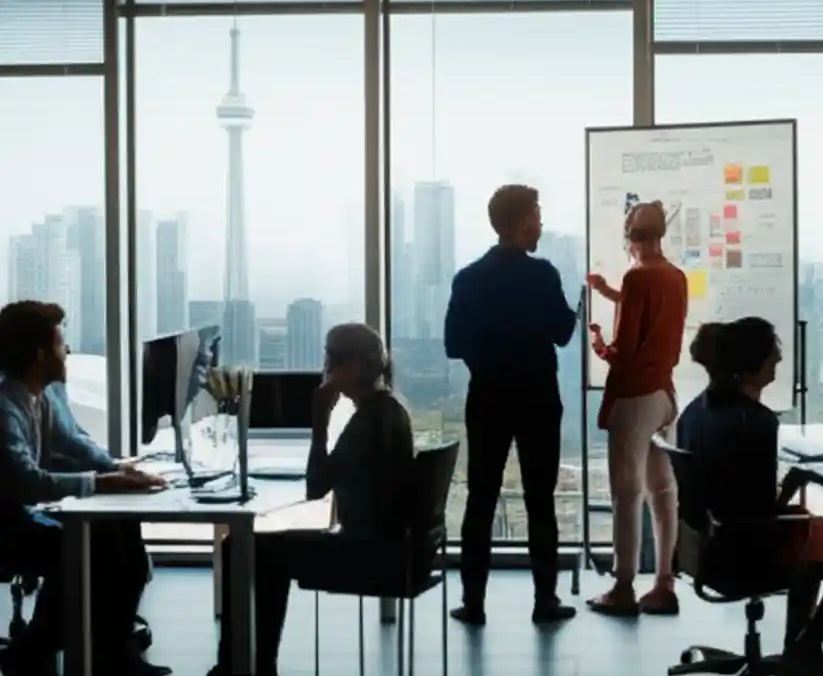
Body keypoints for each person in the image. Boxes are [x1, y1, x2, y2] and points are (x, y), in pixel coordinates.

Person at [208, 323, 415, 676]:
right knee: (264, 549)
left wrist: (319, 421)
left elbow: (316, 487)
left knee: (243, 549)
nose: (326, 368)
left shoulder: (369, 421)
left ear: (357, 366)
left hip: (367, 555)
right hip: (390, 547)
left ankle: (238, 667)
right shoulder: (388, 408)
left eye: (333, 360)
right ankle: (254, 664)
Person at [677, 318, 823, 672]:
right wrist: (791, 487)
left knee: (816, 532)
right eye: (772, 353)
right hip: (742, 554)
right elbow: (762, 511)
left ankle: (799, 650)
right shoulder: (757, 422)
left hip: (704, 547)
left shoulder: (696, 410)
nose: (778, 358)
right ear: (751, 366)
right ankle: (804, 649)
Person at [0, 300, 171, 676]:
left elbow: (69, 438)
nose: (68, 351)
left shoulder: (38, 395)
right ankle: (37, 647)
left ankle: (113, 646)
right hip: (6, 524)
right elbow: (26, 483)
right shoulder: (5, 407)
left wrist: (117, 470)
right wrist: (103, 481)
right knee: (90, 547)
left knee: (121, 529)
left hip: (24, 515)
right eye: (61, 344)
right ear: (40, 353)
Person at [445, 184, 579, 625]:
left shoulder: (468, 278)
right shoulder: (543, 275)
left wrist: (486, 359)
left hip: (487, 397)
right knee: (540, 501)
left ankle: (474, 602)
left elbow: (452, 344)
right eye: (537, 215)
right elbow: (563, 333)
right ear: (522, 222)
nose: (541, 223)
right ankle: (544, 601)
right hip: (538, 398)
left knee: (480, 500)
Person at [585, 200, 688, 617]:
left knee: (626, 494)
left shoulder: (637, 277)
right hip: (664, 395)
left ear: (631, 237)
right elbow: (650, 311)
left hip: (633, 397)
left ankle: (623, 584)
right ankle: (664, 582)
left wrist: (599, 345)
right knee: (663, 492)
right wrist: (609, 291)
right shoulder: (674, 276)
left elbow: (625, 349)